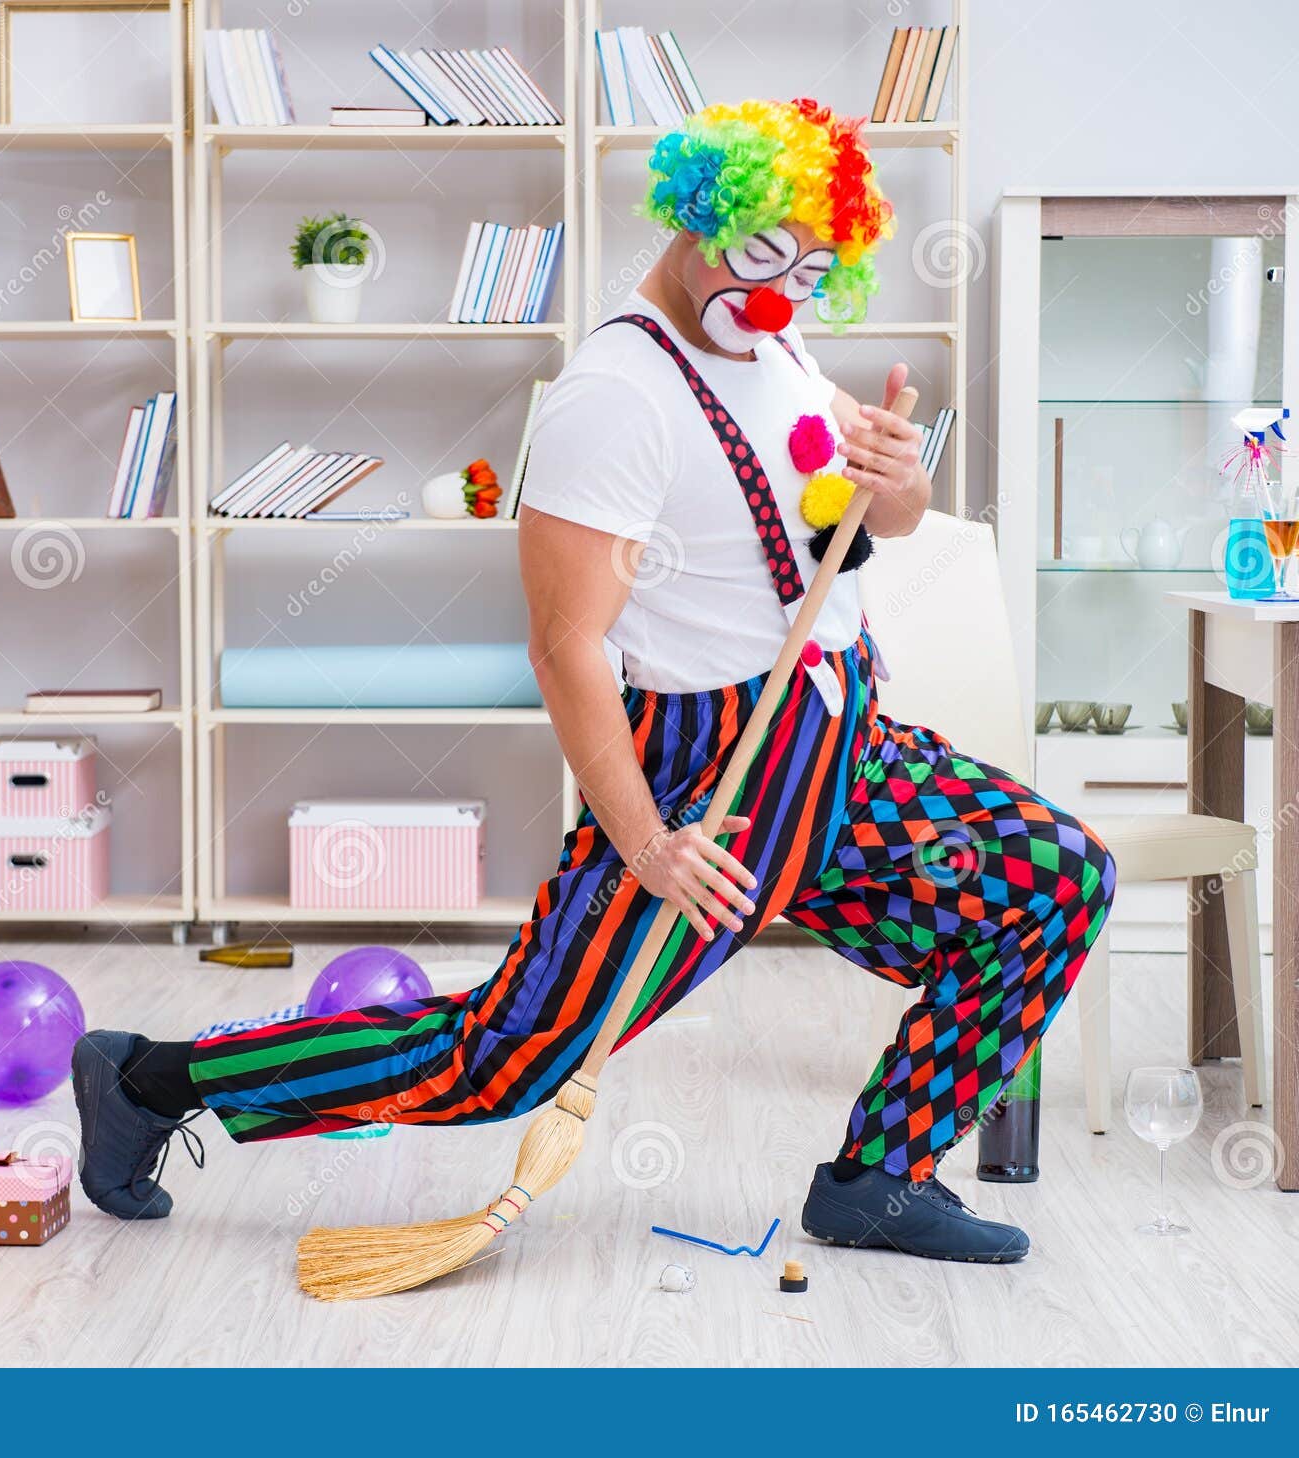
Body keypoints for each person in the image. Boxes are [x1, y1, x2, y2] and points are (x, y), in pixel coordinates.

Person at [72, 98, 1115, 1264]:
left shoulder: (775, 348)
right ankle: (151, 1080)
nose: (783, 295)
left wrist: (900, 478)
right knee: (503, 1059)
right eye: (763, 256)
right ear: (699, 217)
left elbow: (879, 523)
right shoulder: (617, 394)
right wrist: (645, 841)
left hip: (842, 744)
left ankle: (880, 1178)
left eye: (813, 272)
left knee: (1052, 882)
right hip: (711, 785)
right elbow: (567, 646)